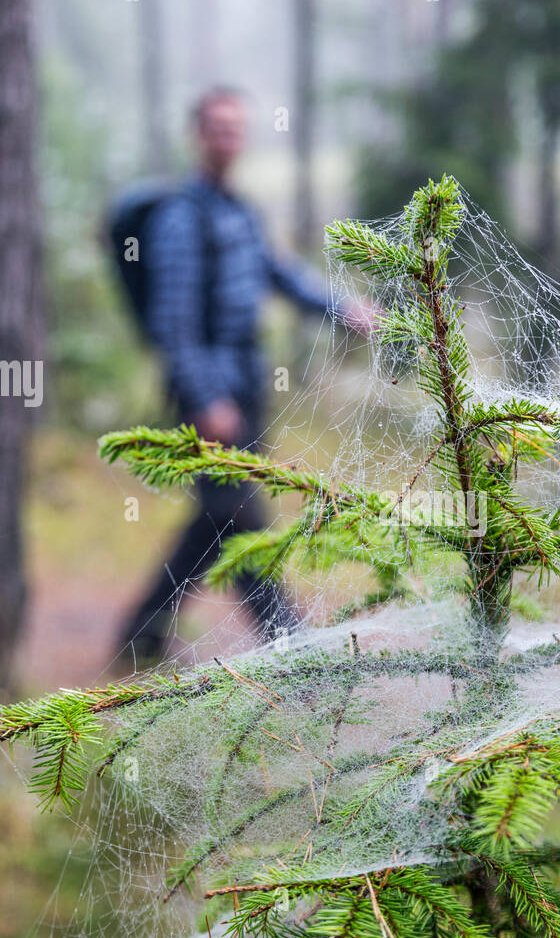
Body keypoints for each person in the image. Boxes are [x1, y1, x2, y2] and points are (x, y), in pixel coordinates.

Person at [116, 86, 372, 666]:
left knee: (216, 516)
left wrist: (343, 308)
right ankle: (292, 645)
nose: (229, 136)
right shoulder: (179, 218)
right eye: (218, 126)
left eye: (237, 127)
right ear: (199, 134)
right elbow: (172, 321)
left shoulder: (240, 211)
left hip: (248, 386)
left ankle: (142, 634)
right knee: (237, 513)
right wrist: (205, 397)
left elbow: (282, 275)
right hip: (211, 393)